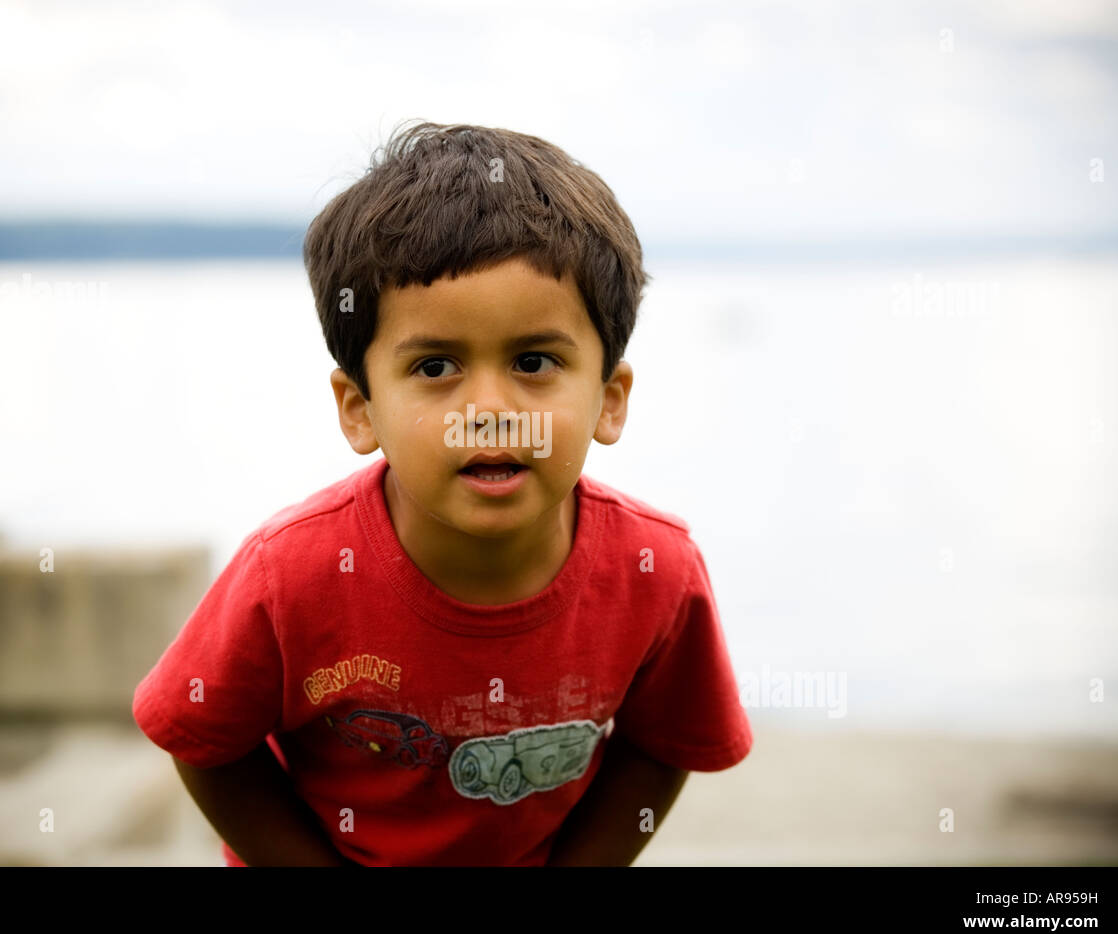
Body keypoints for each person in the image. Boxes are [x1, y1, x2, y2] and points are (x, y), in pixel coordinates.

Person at [131, 121, 752, 866]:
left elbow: (665, 742)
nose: (488, 409)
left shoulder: (657, 572)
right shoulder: (290, 574)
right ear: (360, 408)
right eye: (434, 368)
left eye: (534, 361)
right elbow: (203, 740)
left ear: (609, 399)